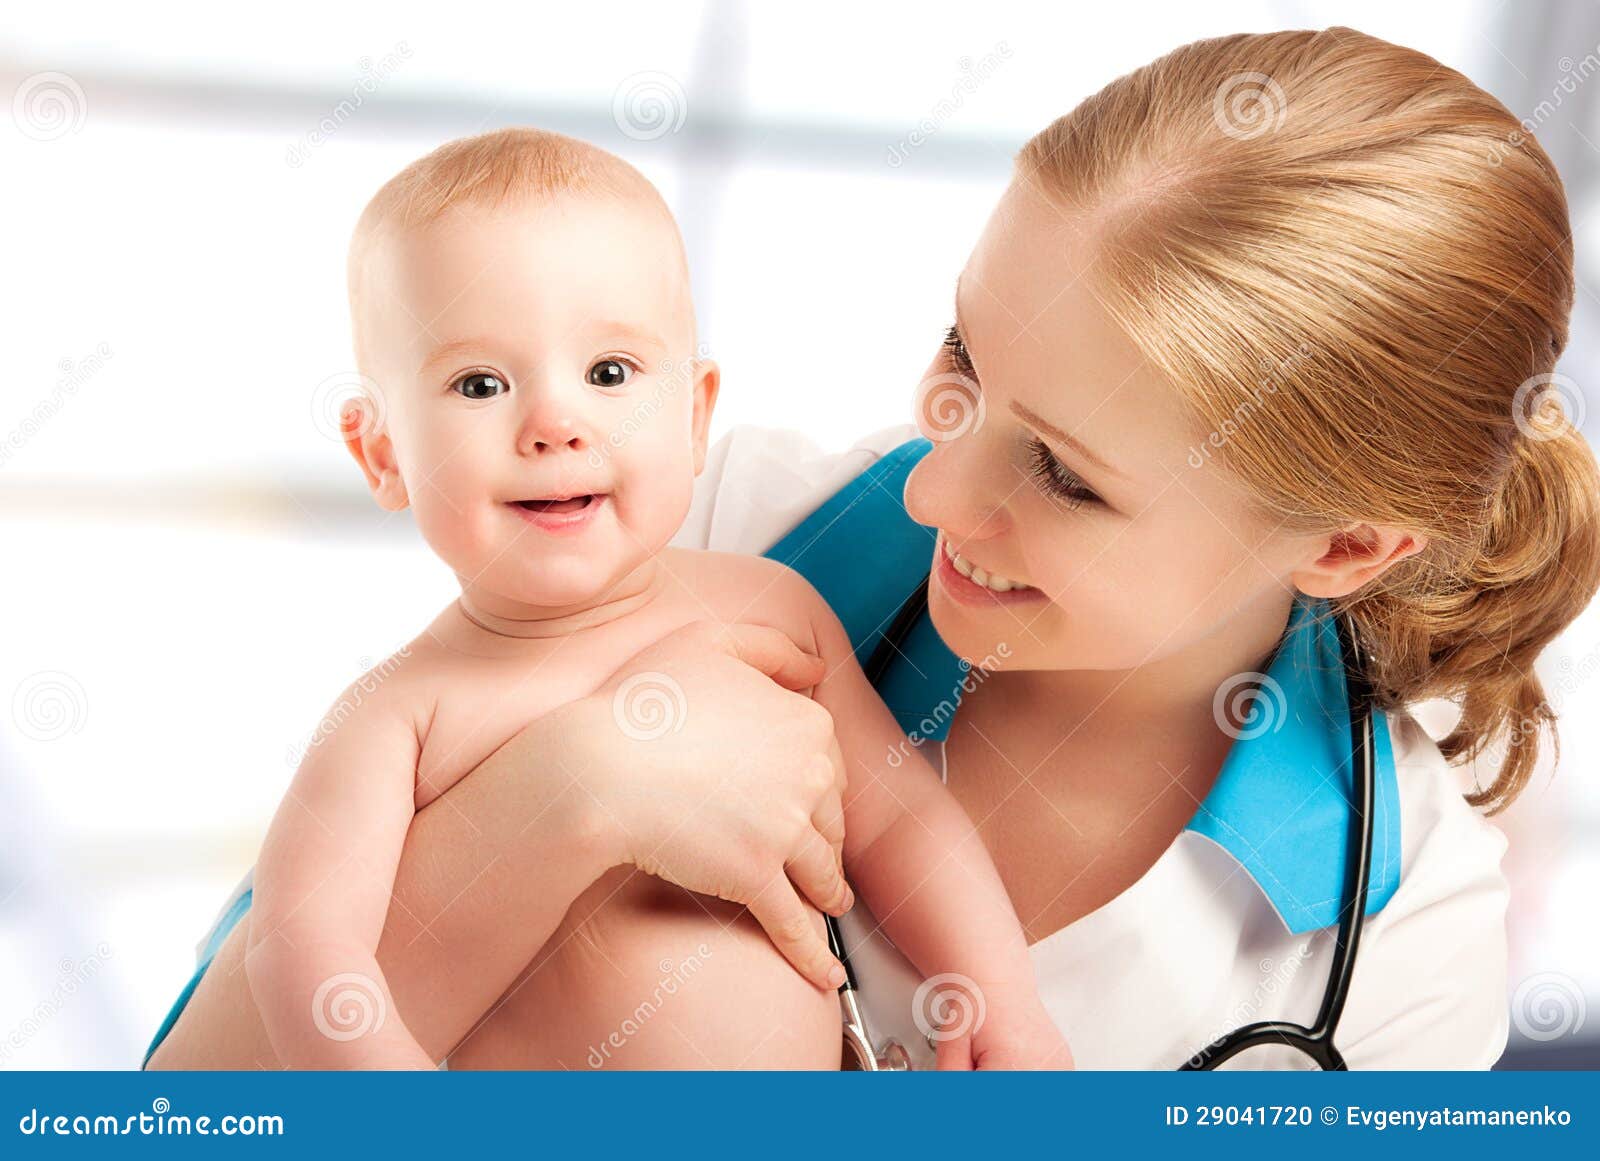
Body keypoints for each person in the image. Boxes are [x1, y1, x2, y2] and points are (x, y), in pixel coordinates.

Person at [148, 26, 1600, 1071]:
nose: (932, 490)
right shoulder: (699, 525)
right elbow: (193, 1102)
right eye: (964, 358)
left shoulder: (1403, 953)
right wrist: (569, 798)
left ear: (1346, 544)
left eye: (1063, 477)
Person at [236, 127, 1064, 1070]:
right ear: (381, 452)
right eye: (480, 383)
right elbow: (302, 955)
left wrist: (1005, 1003)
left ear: (695, 414)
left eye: (609, 374)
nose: (555, 423)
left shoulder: (770, 611)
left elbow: (901, 817)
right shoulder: (396, 718)